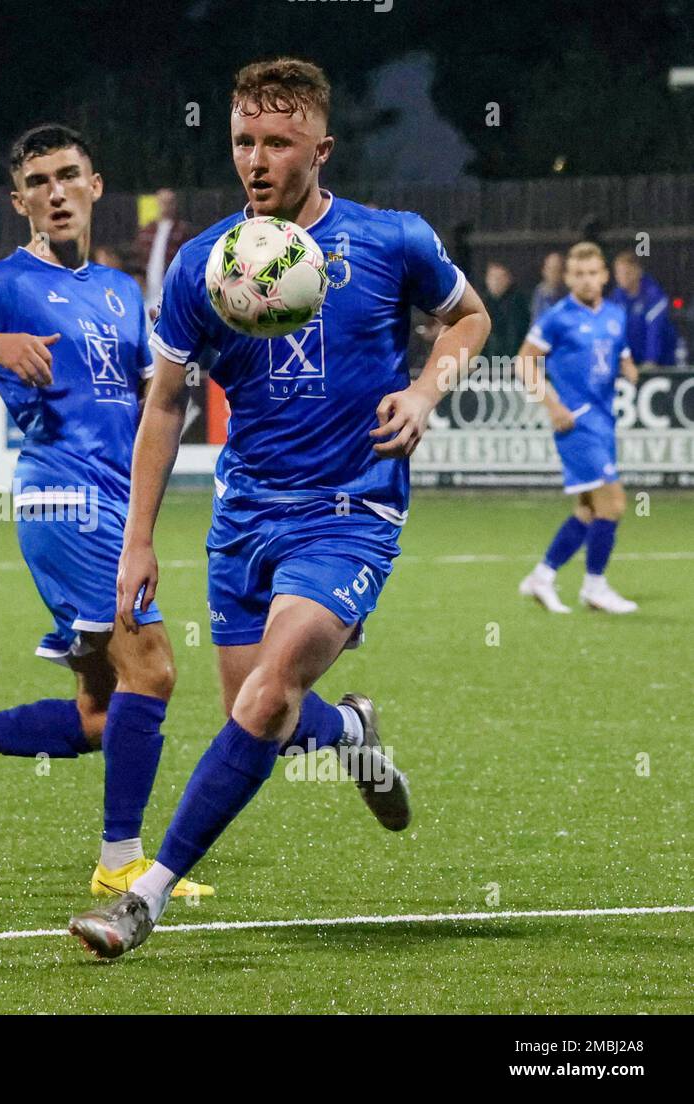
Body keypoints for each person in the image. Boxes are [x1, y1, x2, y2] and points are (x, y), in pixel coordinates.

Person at [68, 57, 491, 958]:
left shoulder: (390, 241)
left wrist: (424, 394)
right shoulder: (201, 265)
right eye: (243, 142)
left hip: (350, 510)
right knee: (256, 716)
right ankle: (352, 730)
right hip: (244, 515)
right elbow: (167, 404)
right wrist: (136, 542)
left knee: (264, 701)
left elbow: (469, 319)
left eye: (277, 142)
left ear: (321, 149)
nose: (256, 160)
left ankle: (143, 897)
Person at [0, 123, 209, 902]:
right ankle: (122, 862)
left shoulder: (123, 291)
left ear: (95, 187)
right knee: (153, 670)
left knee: (101, 717)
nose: (55, 192)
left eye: (68, 176)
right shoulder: (3, 284)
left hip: (115, 503)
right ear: (21, 200)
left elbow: (150, 394)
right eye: (38, 182)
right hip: (63, 499)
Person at [516, 242, 639, 614]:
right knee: (614, 503)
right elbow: (523, 364)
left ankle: (543, 576)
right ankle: (594, 587)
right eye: (578, 274)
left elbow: (620, 353)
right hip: (577, 423)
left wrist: (631, 370)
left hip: (604, 423)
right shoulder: (558, 317)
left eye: (592, 273)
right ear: (568, 278)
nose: (586, 280)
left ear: (604, 276)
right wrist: (553, 405)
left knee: (588, 509)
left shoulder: (615, 314)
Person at [609, 253, 677, 371]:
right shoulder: (616, 298)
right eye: (618, 273)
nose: (622, 277)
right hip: (629, 362)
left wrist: (650, 362)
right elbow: (613, 332)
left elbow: (655, 332)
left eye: (627, 272)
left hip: (662, 364)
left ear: (638, 272)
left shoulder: (654, 296)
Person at [132, 188, 192, 309]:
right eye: (163, 202)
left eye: (170, 202)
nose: (166, 206)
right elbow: (136, 258)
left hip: (172, 292)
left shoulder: (182, 231)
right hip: (147, 292)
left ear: (175, 205)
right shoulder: (146, 231)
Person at [482, 261, 531, 361]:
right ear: (487, 280)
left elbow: (517, 334)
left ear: (508, 280)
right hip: (485, 362)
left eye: (500, 278)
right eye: (492, 278)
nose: (496, 282)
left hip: (512, 360)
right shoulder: (482, 303)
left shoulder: (518, 303)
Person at [530, 251, 567, 320]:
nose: (553, 274)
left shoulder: (571, 293)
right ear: (544, 271)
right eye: (550, 269)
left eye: (557, 269)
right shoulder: (539, 291)